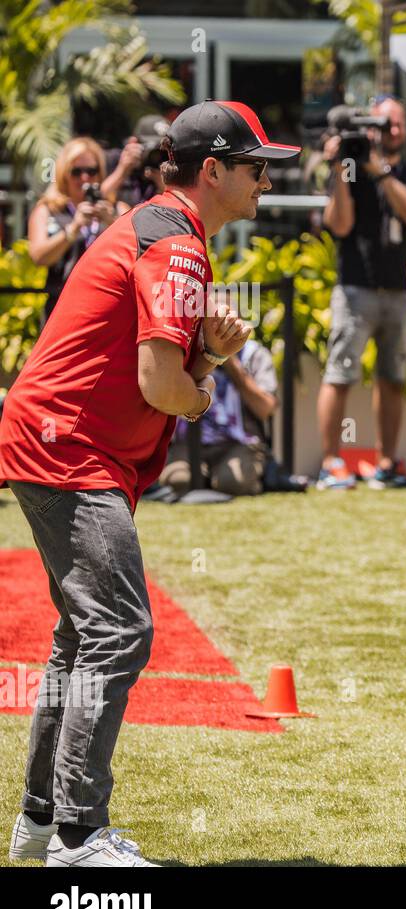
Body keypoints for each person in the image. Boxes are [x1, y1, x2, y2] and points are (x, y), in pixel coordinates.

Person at [1, 100, 299, 866]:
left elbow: (164, 372)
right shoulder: (177, 246)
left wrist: (205, 361)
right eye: (257, 167)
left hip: (55, 442)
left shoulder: (166, 228)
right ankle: (76, 834)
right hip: (69, 451)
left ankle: (43, 824)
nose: (266, 181)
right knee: (120, 630)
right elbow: (163, 385)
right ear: (214, 171)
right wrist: (204, 388)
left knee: (83, 635)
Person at [318, 94, 406, 490]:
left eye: (397, 124)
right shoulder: (351, 169)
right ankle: (332, 463)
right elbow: (341, 225)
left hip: (397, 290)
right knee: (340, 373)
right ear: (370, 128)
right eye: (384, 125)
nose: (392, 131)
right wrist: (340, 169)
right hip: (354, 288)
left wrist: (379, 170)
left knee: (393, 378)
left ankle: (386, 464)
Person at [160, 337, 280, 497]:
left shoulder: (254, 353)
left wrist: (228, 360)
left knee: (232, 482)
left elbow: (266, 409)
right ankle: (206, 477)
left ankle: (241, 478)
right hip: (188, 443)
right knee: (178, 479)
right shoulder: (182, 347)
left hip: (238, 443)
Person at [26, 137, 126, 322]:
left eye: (91, 171)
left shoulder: (117, 209)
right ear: (64, 173)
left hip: (108, 312)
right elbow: (38, 256)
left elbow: (139, 250)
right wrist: (73, 229)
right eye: (76, 172)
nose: (85, 178)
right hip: (61, 311)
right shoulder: (48, 210)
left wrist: (112, 222)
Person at [103, 114, 172, 210]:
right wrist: (122, 170)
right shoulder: (114, 160)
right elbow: (102, 198)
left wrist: (166, 186)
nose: (157, 156)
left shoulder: (172, 167)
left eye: (163, 150)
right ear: (134, 143)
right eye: (153, 148)